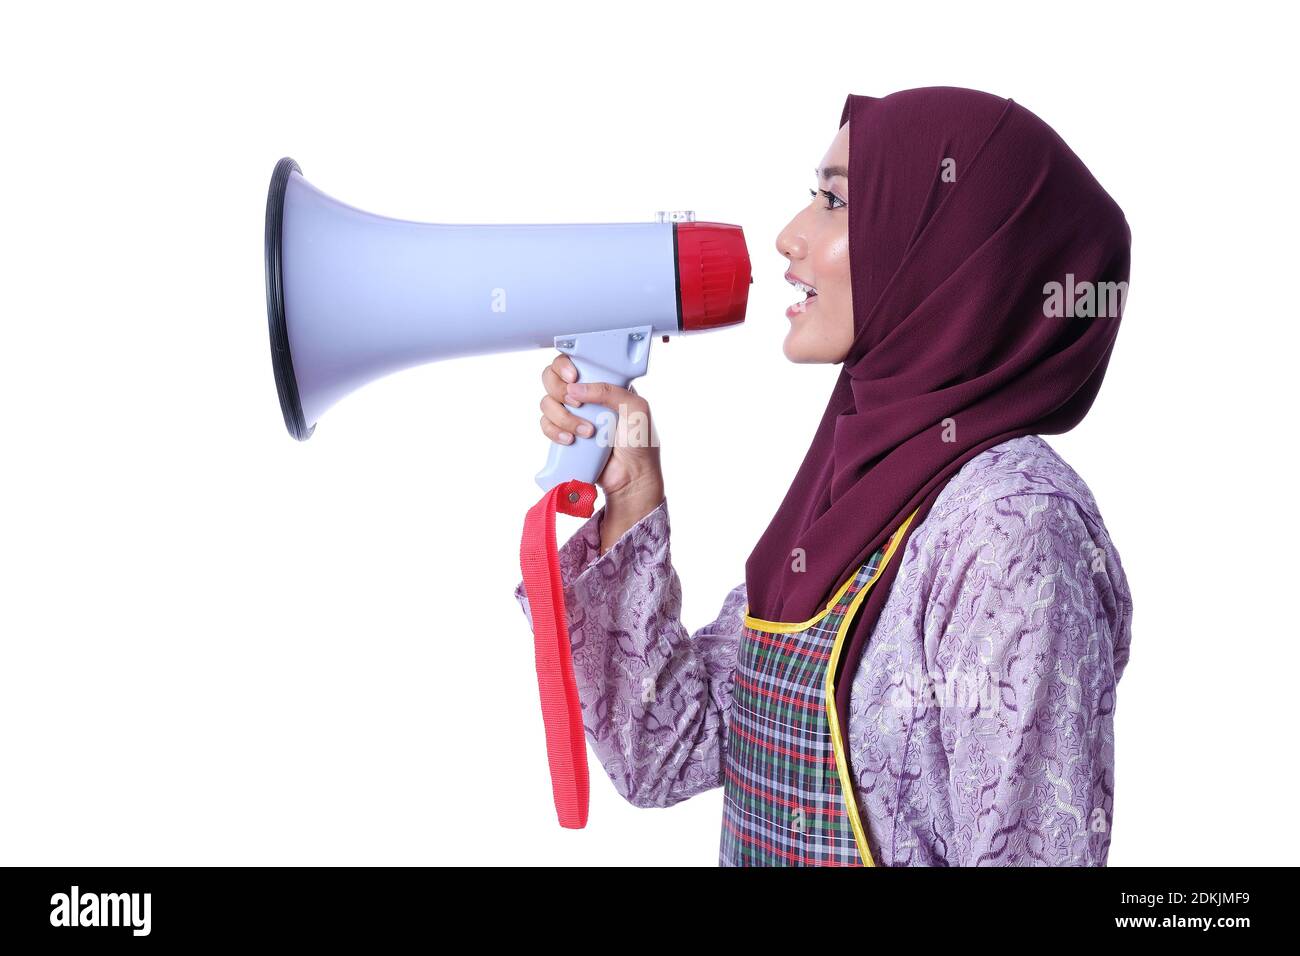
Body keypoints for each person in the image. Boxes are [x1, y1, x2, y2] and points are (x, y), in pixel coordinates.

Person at [516, 87, 1133, 867]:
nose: (788, 236)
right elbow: (666, 750)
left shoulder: (1009, 530)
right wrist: (631, 494)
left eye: (835, 201)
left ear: (948, 247)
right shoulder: (852, 485)